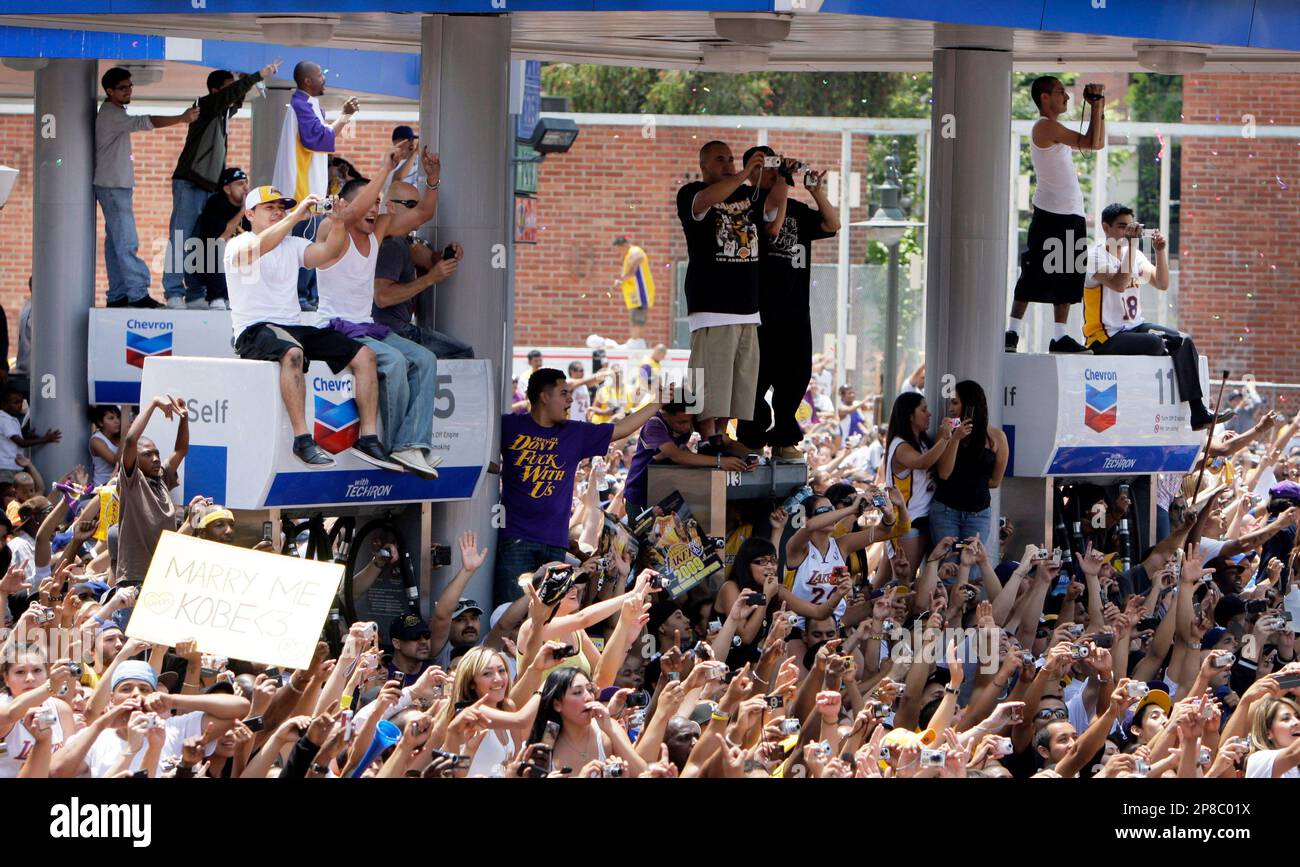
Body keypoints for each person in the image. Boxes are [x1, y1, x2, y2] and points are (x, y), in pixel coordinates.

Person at [223, 184, 391, 470]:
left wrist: (338, 223)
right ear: (249, 213)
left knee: (365, 356)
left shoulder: (291, 244)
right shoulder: (239, 243)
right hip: (254, 329)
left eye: (282, 207)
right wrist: (295, 216)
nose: (278, 212)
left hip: (292, 326)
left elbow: (327, 253)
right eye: (270, 208)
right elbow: (259, 248)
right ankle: (303, 439)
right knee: (292, 353)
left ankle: (369, 437)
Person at [315, 147, 444, 477]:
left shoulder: (380, 230)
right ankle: (395, 445)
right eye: (370, 203)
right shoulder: (333, 228)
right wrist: (386, 168)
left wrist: (432, 180)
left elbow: (423, 213)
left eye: (378, 203)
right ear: (347, 205)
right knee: (396, 362)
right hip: (335, 327)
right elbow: (353, 208)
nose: (375, 209)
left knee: (426, 359)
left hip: (367, 327)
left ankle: (412, 444)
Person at [494, 368, 660, 603]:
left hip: (555, 544)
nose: (570, 399)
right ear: (543, 396)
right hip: (515, 540)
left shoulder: (575, 432)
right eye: (564, 393)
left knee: (550, 617)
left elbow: (622, 428)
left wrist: (659, 402)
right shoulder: (508, 426)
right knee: (511, 615)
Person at [676, 140, 788, 458]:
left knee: (739, 380)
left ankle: (723, 436)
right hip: (713, 304)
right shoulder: (690, 193)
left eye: (729, 158)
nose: (726, 163)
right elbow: (705, 201)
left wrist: (782, 176)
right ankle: (708, 437)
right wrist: (742, 174)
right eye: (719, 159)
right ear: (704, 165)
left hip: (747, 306)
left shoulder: (746, 196)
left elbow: (772, 209)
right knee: (713, 376)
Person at [1083, 203, 1233, 432]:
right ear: (1106, 227)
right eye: (1122, 227)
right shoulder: (1094, 257)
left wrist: (1160, 251)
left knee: (1183, 340)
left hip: (1134, 327)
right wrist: (1133, 245)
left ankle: (1199, 412)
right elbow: (1119, 284)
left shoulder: (1135, 254)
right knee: (1156, 343)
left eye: (1131, 227)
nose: (1127, 232)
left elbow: (1162, 283)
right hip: (1105, 336)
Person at [734, 146, 838, 462]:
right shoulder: (744, 205)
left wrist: (817, 193)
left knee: (795, 377)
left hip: (795, 310)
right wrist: (783, 175)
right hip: (758, 310)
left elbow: (832, 225)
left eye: (775, 165)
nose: (774, 172)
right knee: (755, 378)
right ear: (752, 171)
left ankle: (784, 439)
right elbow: (772, 214)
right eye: (766, 166)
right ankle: (751, 437)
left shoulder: (794, 207)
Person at [164, 60, 280, 310]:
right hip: (190, 181)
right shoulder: (205, 105)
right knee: (181, 237)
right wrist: (257, 74)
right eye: (228, 88)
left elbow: (234, 99)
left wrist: (246, 79)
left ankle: (195, 291)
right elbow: (232, 95)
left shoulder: (223, 111)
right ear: (216, 91)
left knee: (198, 241)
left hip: (206, 185)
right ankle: (173, 291)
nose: (233, 92)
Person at [1006, 76, 1105, 354]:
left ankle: (1059, 336)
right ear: (1044, 97)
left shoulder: (1053, 127)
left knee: (1068, 274)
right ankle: (1012, 332)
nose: (1066, 97)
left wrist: (1100, 107)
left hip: (1071, 211)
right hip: (1051, 211)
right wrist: (1095, 105)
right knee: (1034, 270)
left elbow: (1096, 144)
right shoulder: (1045, 126)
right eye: (1061, 92)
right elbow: (1089, 142)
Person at [94, 66, 199, 309]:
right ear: (109, 91)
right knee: (127, 241)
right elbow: (146, 121)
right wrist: (181, 119)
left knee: (115, 242)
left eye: (129, 86)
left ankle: (118, 295)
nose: (128, 90)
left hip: (114, 186)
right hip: (113, 187)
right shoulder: (111, 113)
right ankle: (137, 293)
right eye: (122, 88)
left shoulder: (112, 111)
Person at [272, 60, 360, 310]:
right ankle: (301, 297)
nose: (324, 79)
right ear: (308, 81)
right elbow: (317, 139)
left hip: (310, 190)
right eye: (320, 75)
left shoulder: (309, 105)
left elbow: (321, 136)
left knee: (313, 243)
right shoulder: (301, 105)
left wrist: (343, 117)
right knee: (305, 245)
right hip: (302, 191)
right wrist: (344, 116)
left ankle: (308, 295)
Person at [372, 181, 474, 359]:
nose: (417, 211)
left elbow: (429, 259)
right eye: (411, 206)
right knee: (462, 353)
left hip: (394, 329)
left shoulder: (404, 241)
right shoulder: (393, 244)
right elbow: (382, 297)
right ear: (391, 207)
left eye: (418, 206)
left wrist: (446, 254)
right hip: (393, 331)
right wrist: (430, 278)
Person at [623, 402, 751, 515]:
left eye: (689, 421)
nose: (687, 427)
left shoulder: (687, 417)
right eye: (681, 422)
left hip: (666, 491)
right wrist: (720, 462)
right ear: (665, 415)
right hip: (639, 494)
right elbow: (676, 455)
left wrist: (749, 457)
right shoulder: (654, 425)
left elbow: (720, 439)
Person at [930, 380, 1009, 563]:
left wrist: (971, 482)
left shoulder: (997, 437)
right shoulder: (947, 432)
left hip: (978, 514)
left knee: (971, 569)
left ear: (970, 405)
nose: (950, 409)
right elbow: (943, 473)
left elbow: (995, 481)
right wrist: (955, 439)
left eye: (955, 403)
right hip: (946, 511)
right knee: (947, 567)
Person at [115, 394, 187, 586]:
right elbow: (130, 440)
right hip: (136, 578)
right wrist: (154, 403)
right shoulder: (132, 481)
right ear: (135, 460)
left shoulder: (161, 479)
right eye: (148, 455)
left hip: (163, 576)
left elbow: (180, 450)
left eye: (157, 454)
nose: (155, 459)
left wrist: (184, 418)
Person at [885, 391, 948, 569]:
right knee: (904, 579)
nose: (929, 414)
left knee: (888, 579)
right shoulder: (900, 445)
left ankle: (866, 594)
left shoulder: (922, 442)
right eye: (924, 409)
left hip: (924, 518)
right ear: (910, 415)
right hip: (907, 522)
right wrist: (946, 438)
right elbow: (923, 462)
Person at [191, 167, 251, 310]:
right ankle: (216, 297)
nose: (246, 187)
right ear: (227, 189)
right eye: (240, 184)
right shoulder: (216, 203)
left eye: (246, 183)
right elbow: (221, 237)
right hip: (205, 261)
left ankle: (236, 297)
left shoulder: (251, 208)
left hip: (234, 262)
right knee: (222, 245)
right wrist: (243, 211)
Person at [0, 386, 58, 485]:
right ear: (4, 404)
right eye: (15, 403)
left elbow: (16, 440)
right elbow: (21, 443)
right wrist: (45, 439)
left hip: (14, 466)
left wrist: (28, 436)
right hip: (7, 467)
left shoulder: (11, 419)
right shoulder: (4, 420)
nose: (19, 406)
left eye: (21, 402)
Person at [612, 237, 655, 344]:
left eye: (619, 249)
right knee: (635, 317)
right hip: (634, 294)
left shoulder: (635, 251)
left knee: (638, 318)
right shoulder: (629, 254)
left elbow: (632, 270)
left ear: (624, 245)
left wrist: (621, 280)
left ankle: (637, 342)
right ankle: (635, 341)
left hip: (640, 292)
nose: (619, 252)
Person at [1245, 696, 1300, 778]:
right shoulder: (1258, 760)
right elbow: (1293, 754)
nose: (1297, 722)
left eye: (1298, 717)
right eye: (1286, 718)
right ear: (1268, 733)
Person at [88, 405, 121, 488]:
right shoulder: (96, 440)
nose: (117, 421)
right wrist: (125, 436)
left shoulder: (118, 437)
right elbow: (116, 462)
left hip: (118, 487)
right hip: (102, 489)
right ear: (100, 422)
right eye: (111, 418)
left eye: (118, 417)